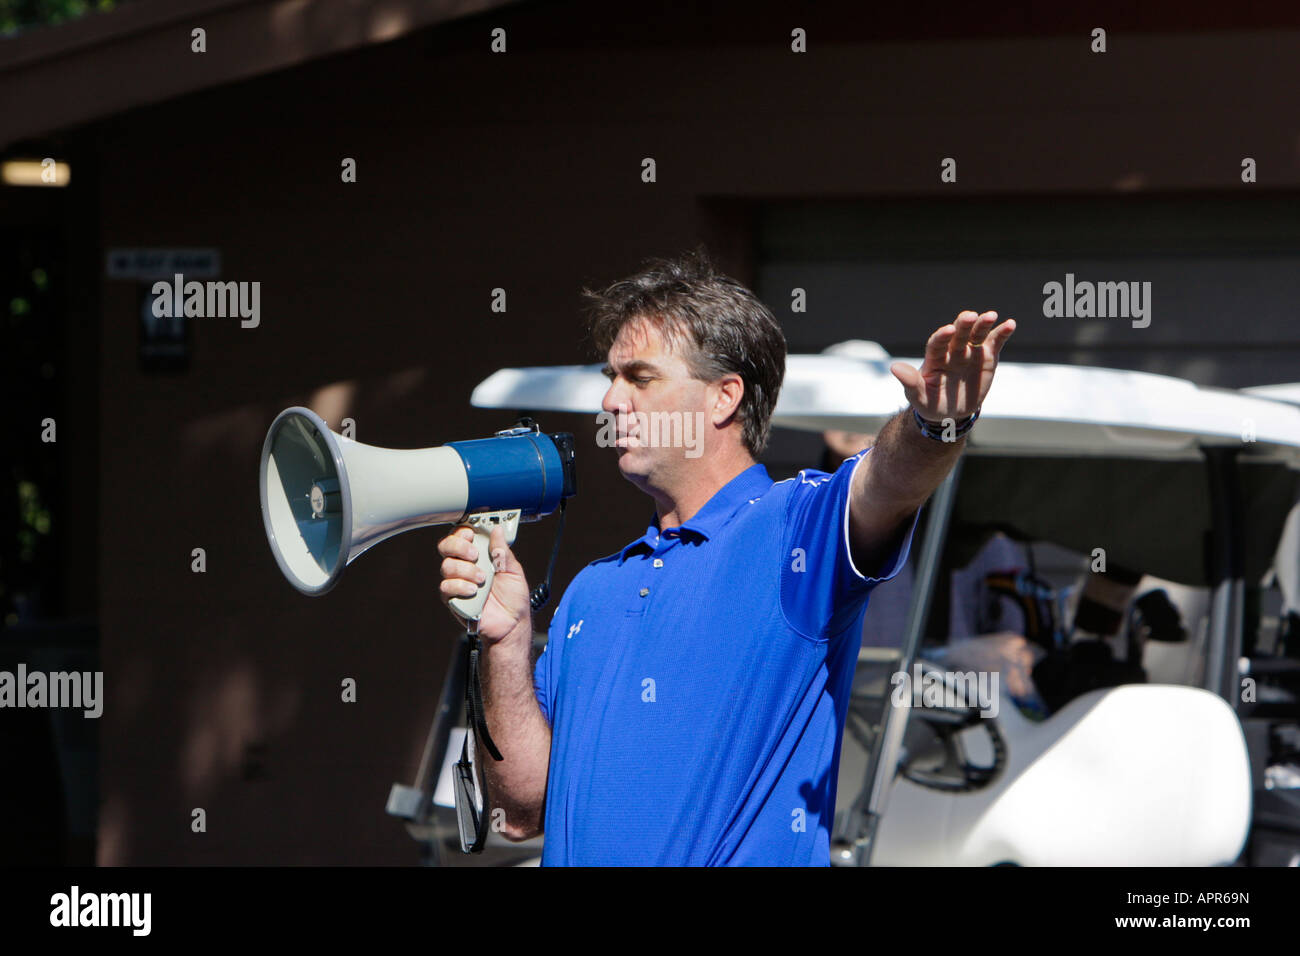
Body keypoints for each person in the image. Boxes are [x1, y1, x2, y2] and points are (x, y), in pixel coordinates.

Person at [436, 247, 1015, 865]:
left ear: (723, 398)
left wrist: (935, 426)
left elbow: (890, 481)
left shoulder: (795, 525)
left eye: (639, 377)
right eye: (611, 378)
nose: (610, 402)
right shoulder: (590, 589)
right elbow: (520, 812)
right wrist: (505, 640)